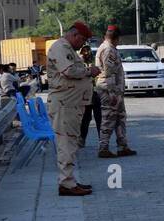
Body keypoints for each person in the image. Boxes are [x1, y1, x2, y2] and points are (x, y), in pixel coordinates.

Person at [45, 22, 99, 196]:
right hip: (64, 105)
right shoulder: (60, 47)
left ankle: (69, 180)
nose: (82, 44)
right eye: (82, 39)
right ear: (74, 35)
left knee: (71, 144)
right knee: (66, 145)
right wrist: (88, 71)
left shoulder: (68, 49)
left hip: (71, 105)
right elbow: (69, 71)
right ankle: (66, 184)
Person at [95, 25, 136, 159]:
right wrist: (113, 93)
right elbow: (108, 73)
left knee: (120, 117)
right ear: (117, 38)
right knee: (108, 118)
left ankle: (122, 146)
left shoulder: (108, 48)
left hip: (114, 90)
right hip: (109, 90)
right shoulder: (108, 50)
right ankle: (103, 148)